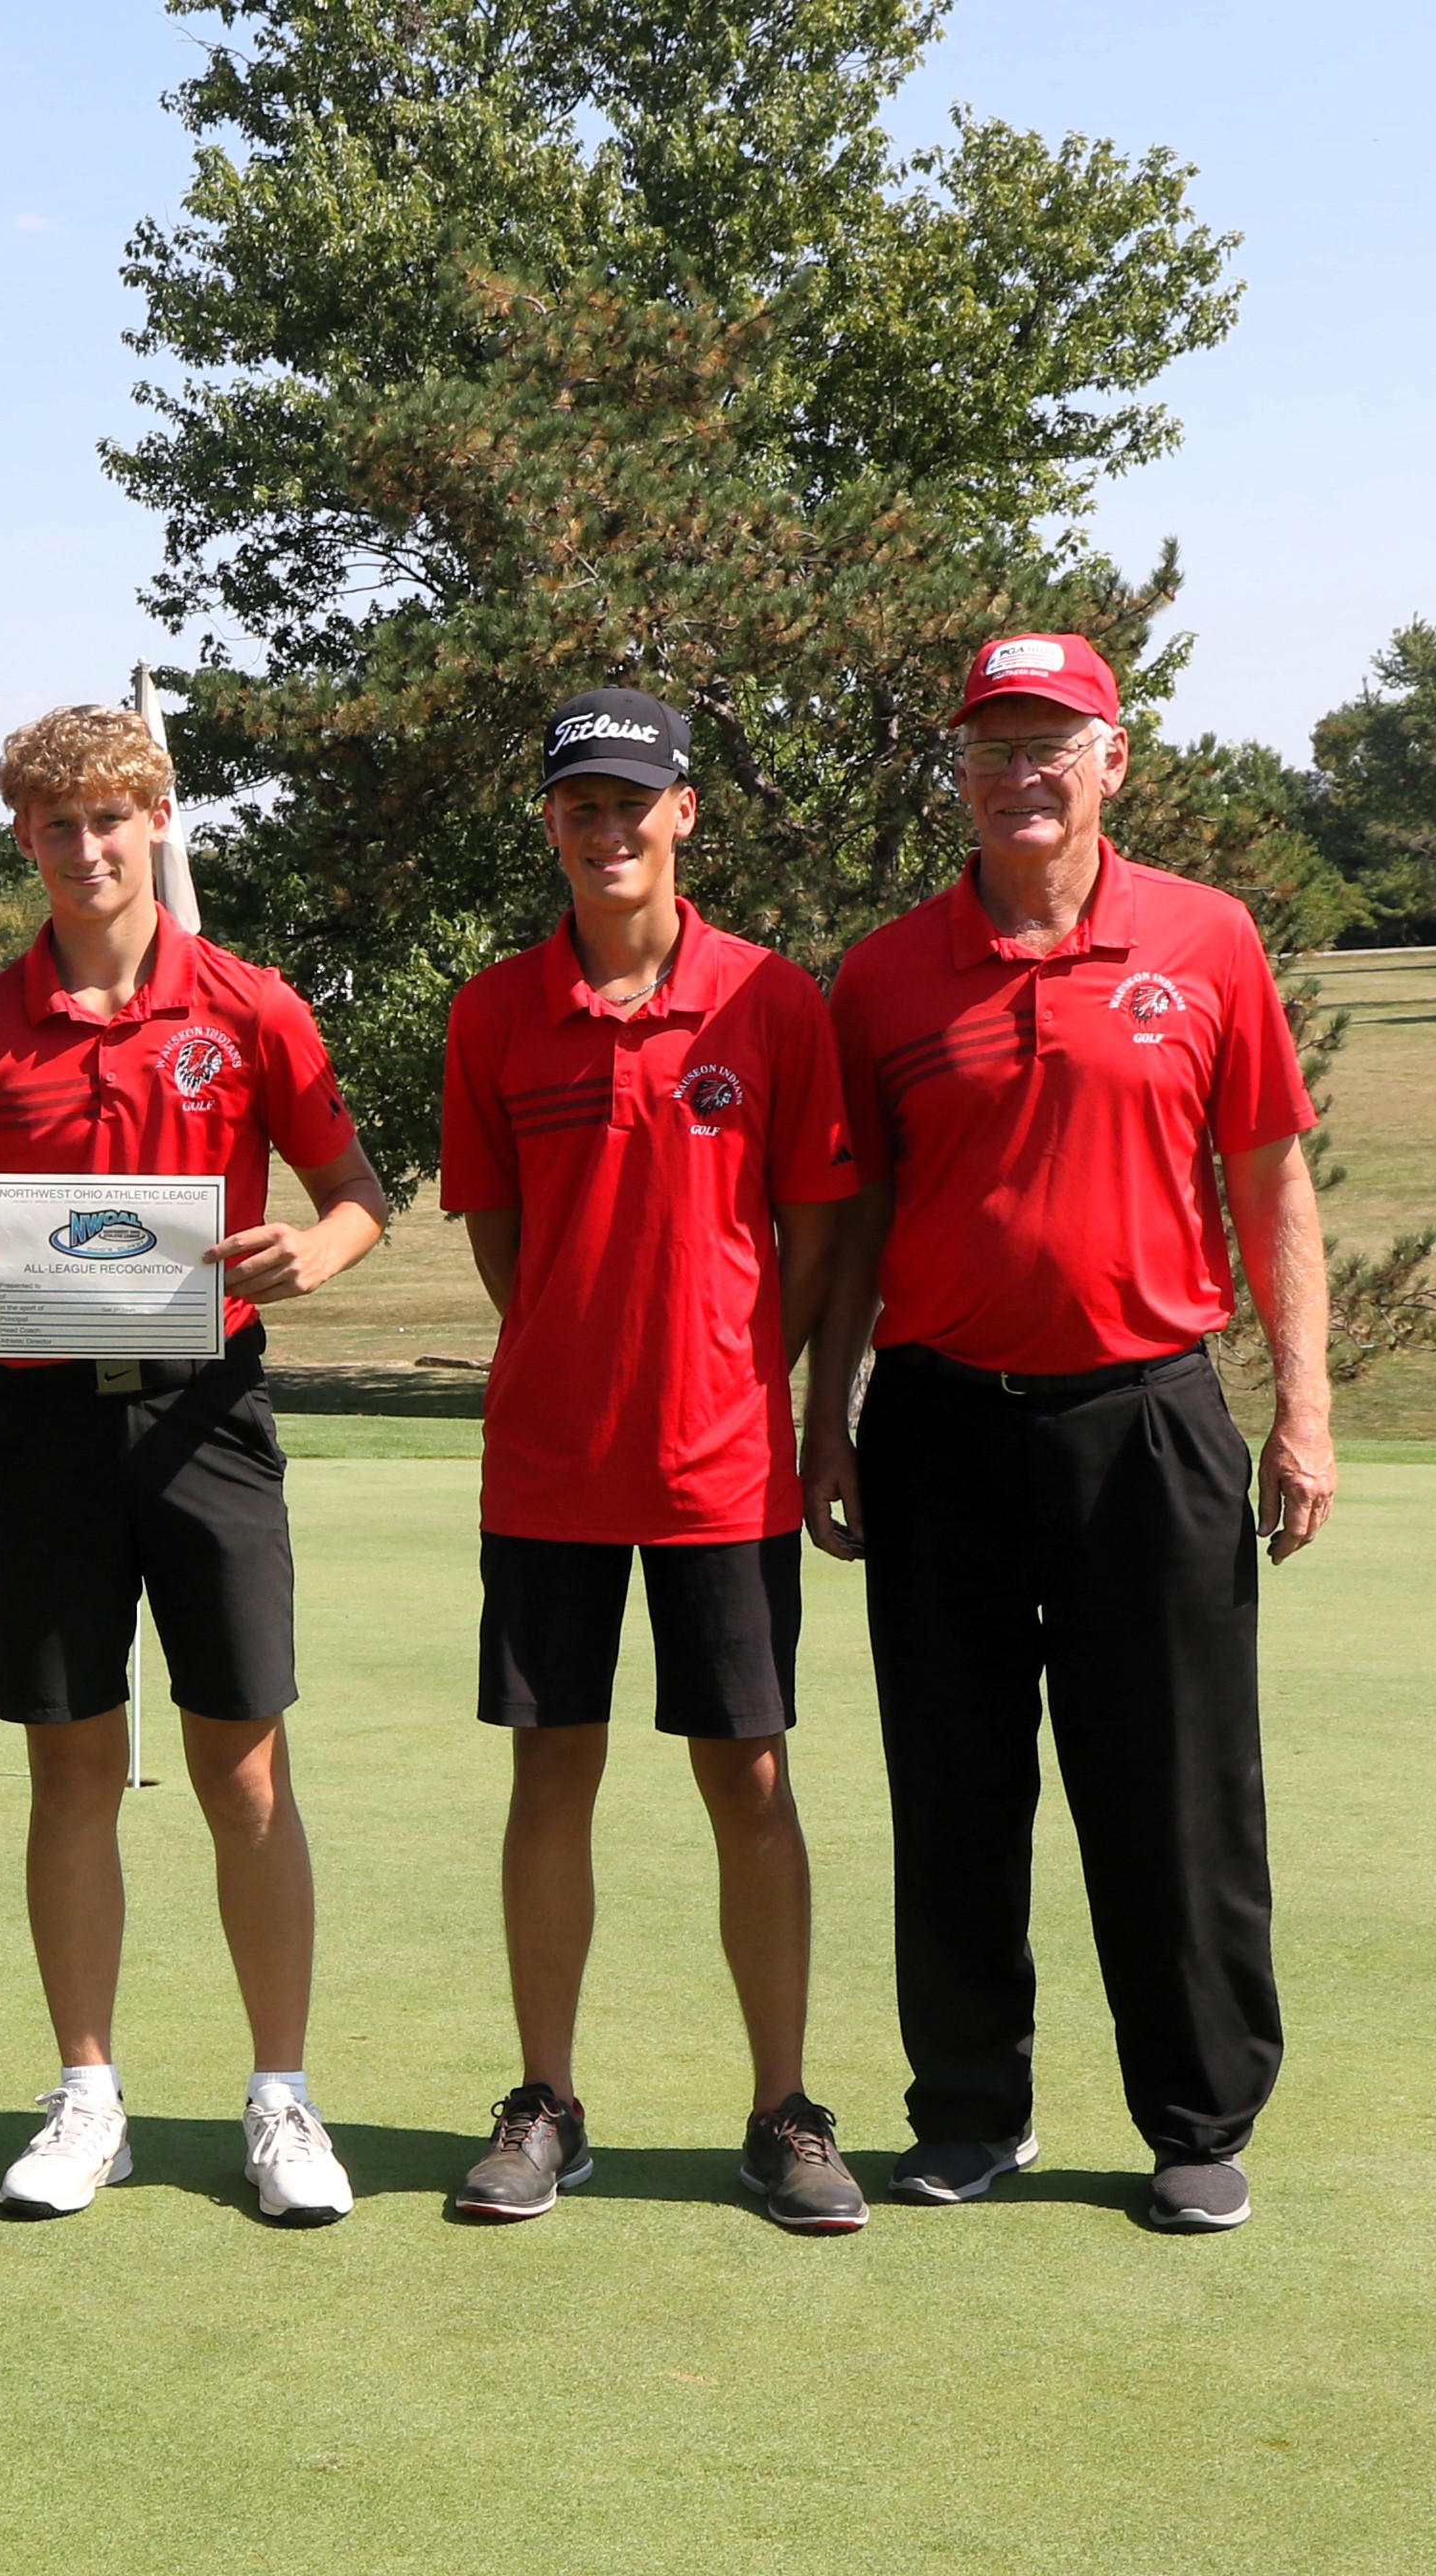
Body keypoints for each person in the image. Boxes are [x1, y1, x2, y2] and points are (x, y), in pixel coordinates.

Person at [802, 633, 1332, 2234]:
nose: (1016, 775)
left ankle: (1193, 2117)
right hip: (942, 1423)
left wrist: (1302, 1410)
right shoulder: (885, 972)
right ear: (956, 775)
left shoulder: (1205, 937)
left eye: (1049, 745)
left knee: (1172, 1787)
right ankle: (968, 2110)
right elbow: (859, 1213)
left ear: (1112, 759)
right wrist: (825, 1417)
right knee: (952, 1784)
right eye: (987, 749)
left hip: (1149, 1416)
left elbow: (1269, 1184)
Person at [0, 704, 389, 2225]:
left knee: (240, 1765)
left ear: (157, 819)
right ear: (24, 838)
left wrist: (313, 1249)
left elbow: (356, 1191)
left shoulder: (249, 1005)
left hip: (208, 1416)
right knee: (68, 1766)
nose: (87, 846)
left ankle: (280, 2098)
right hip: (44, 1426)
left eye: (112, 818)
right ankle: (88, 2093)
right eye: (57, 824)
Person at [435, 689, 866, 2235]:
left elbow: (819, 1233)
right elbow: (501, 1242)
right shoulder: (492, 1012)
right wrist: (580, 1349)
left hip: (723, 1463)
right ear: (549, 824)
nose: (604, 830)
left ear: (683, 811)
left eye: (631, 803)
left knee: (746, 1776)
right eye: (576, 806)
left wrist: (750, 1380)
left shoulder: (772, 1004)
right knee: (550, 1766)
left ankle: (782, 2110)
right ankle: (543, 2100)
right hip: (550, 1464)